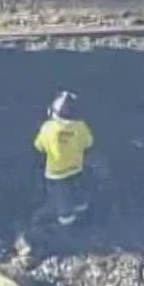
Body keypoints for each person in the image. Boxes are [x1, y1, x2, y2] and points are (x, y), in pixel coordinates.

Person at [34, 90, 94, 226]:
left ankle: (66, 220)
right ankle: (81, 208)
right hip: (76, 168)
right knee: (76, 189)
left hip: (55, 174)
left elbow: (39, 146)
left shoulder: (48, 128)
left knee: (61, 197)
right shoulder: (81, 126)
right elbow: (88, 143)